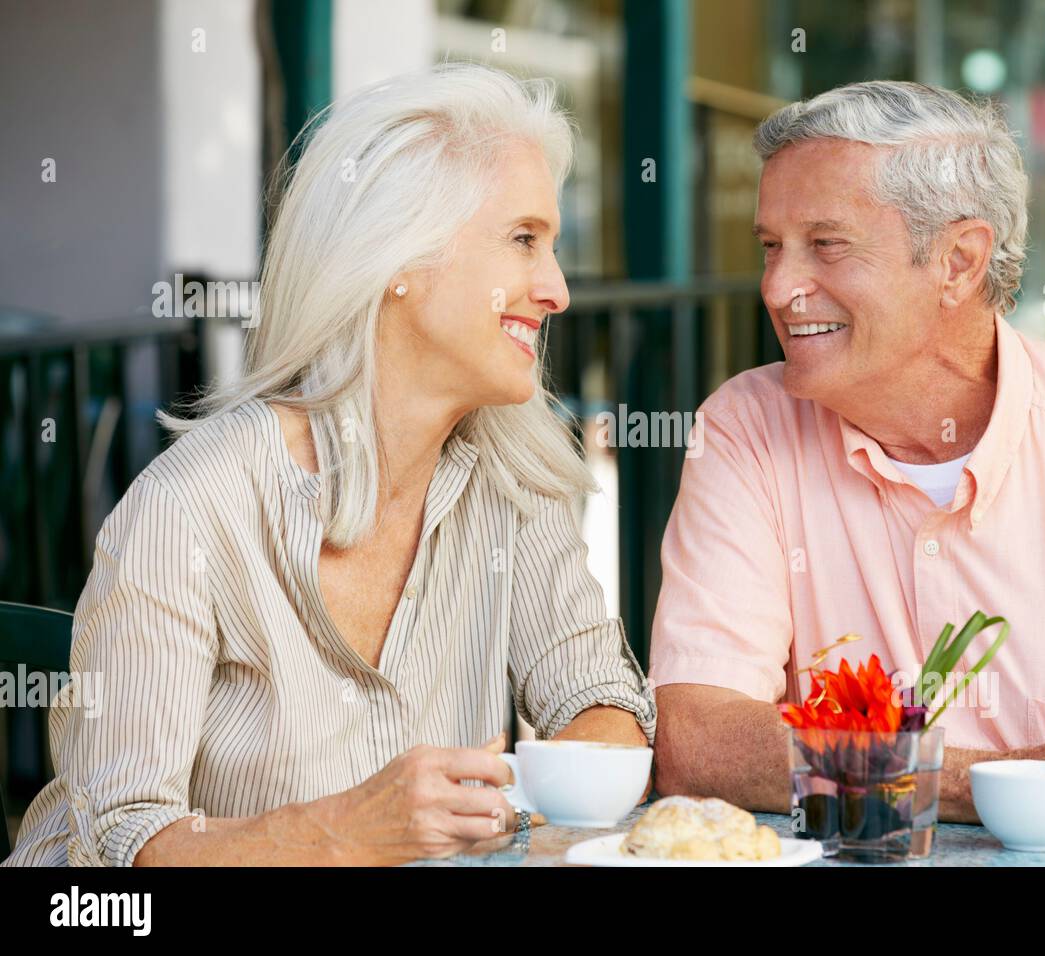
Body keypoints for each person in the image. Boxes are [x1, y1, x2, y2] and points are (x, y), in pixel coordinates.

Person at [5, 63, 654, 867]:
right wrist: (348, 832)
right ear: (399, 262)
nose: (556, 289)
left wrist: (560, 775)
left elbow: (598, 697)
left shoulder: (511, 478)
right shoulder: (193, 506)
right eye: (524, 239)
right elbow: (122, 846)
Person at [649, 80, 1045, 848]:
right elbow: (698, 741)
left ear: (959, 261)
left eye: (826, 245)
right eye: (770, 246)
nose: (778, 287)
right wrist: (1003, 777)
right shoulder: (747, 430)